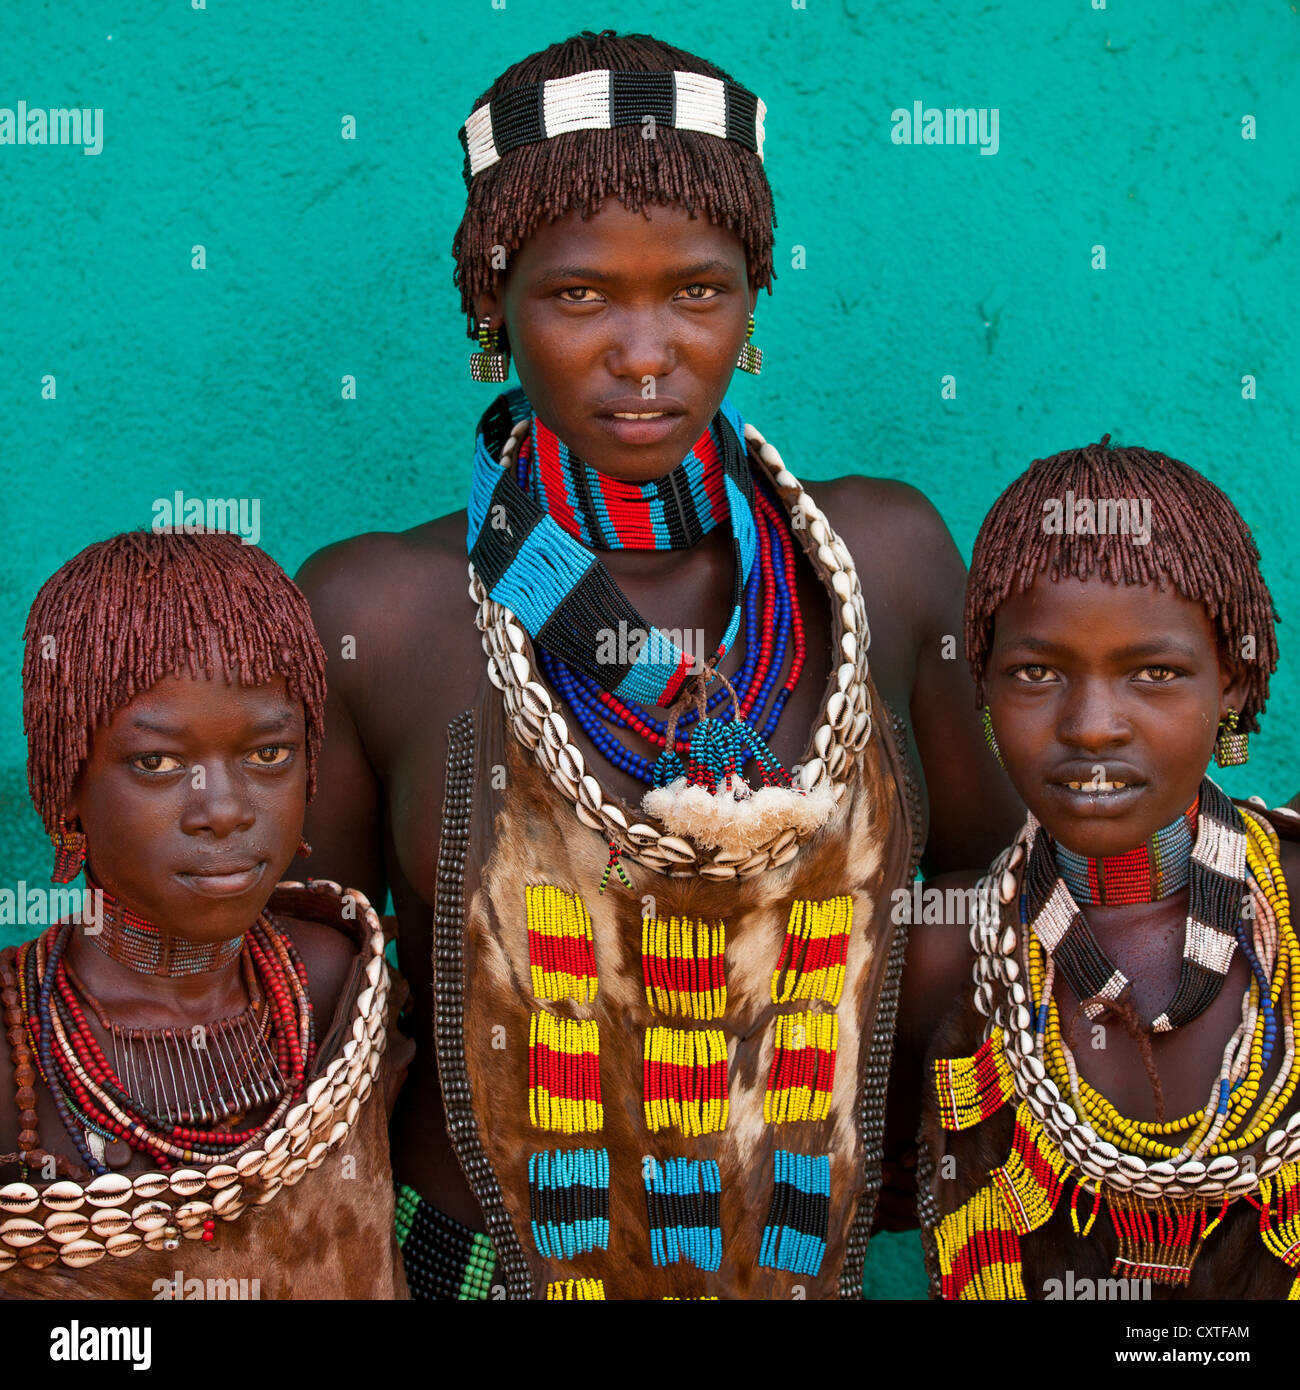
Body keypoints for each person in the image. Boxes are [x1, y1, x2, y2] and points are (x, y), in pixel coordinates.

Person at [296, 28, 1020, 1299]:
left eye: (696, 288)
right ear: (492, 305)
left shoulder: (882, 564)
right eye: (578, 295)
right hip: (472, 1271)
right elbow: (318, 986)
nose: (644, 352)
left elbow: (984, 884)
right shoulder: (383, 612)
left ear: (752, 298)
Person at [910, 437, 1300, 1298]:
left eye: (1154, 673)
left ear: (1232, 680)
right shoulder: (944, 957)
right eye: (1036, 672)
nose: (1091, 726)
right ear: (981, 687)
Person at [0, 531, 406, 1298]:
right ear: (67, 783)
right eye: (156, 764)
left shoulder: (343, 993)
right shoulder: (15, 1042)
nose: (222, 811)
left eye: (267, 755)